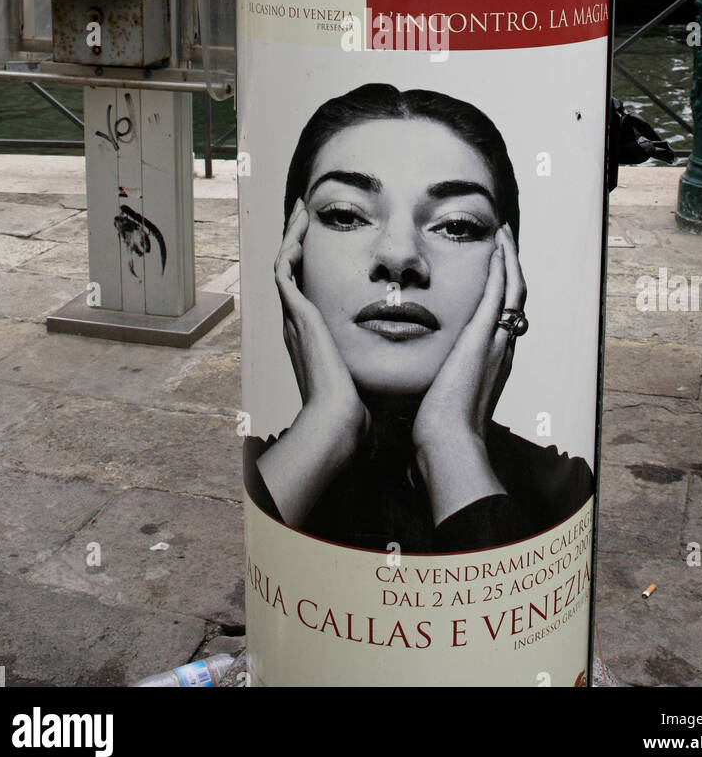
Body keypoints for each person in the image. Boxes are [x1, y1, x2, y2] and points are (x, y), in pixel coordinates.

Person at [244, 84, 593, 552]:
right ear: (293, 253)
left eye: (456, 226)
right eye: (346, 216)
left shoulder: (564, 491)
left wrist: (452, 442)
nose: (399, 257)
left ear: (507, 268)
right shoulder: (256, 474)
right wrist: (325, 428)